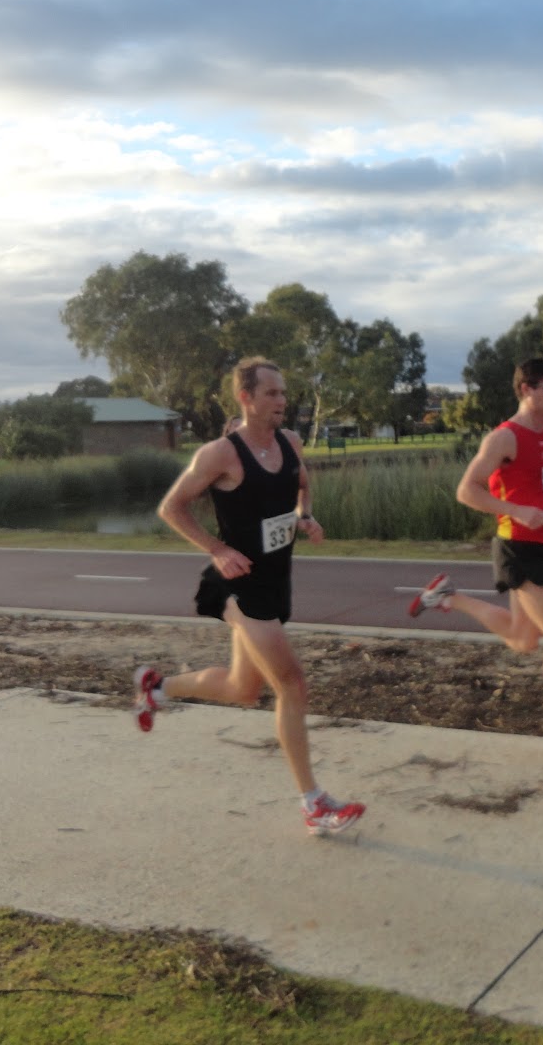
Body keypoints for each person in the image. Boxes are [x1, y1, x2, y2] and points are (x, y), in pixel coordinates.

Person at [135, 357, 366, 837]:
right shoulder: (221, 454)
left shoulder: (290, 442)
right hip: (237, 585)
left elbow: (302, 485)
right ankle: (314, 804)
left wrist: (305, 516)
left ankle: (157, 688)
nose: (282, 402)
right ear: (246, 397)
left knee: (244, 691)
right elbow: (171, 507)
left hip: (276, 579)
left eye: (283, 393)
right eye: (272, 394)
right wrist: (217, 549)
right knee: (292, 684)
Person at [408, 357, 543, 760]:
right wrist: (515, 511)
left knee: (524, 639)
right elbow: (467, 491)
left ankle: (448, 597)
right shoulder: (503, 438)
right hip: (517, 548)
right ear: (526, 389)